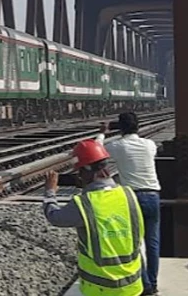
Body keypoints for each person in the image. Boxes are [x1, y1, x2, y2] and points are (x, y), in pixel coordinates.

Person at [44, 139, 146, 296]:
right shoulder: (128, 194)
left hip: (101, 289)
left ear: (85, 171)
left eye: (78, 172)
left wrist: (50, 192)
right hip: (133, 286)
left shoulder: (85, 203)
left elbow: (55, 217)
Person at [105, 112, 161, 295]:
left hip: (132, 198)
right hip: (153, 195)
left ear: (120, 128)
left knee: (135, 242)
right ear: (138, 126)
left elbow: (97, 148)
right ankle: (152, 282)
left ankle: (145, 284)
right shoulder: (150, 145)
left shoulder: (117, 145)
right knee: (152, 242)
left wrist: (103, 132)